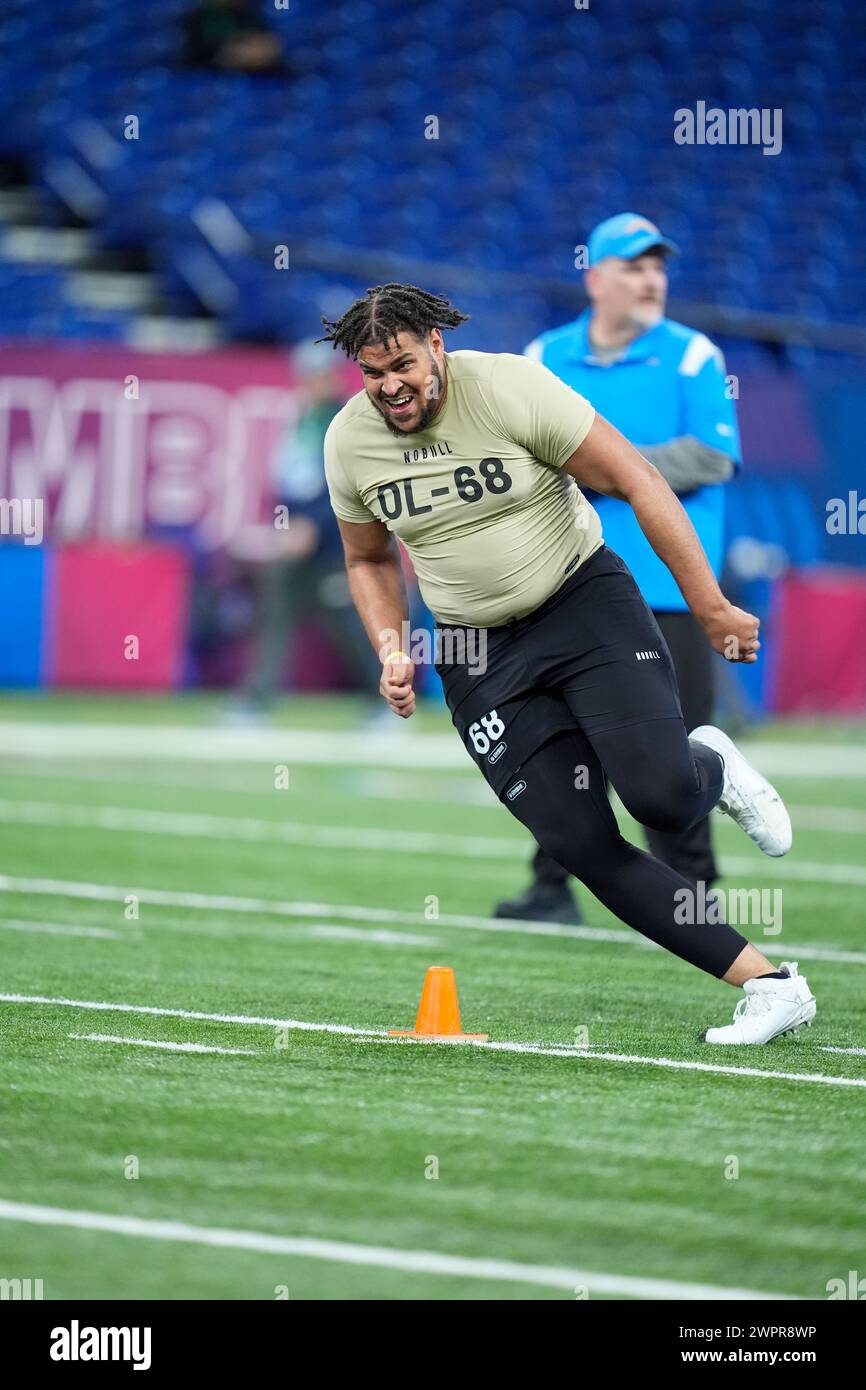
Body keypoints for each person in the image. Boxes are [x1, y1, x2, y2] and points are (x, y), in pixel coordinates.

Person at [320, 283, 816, 1045]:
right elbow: (366, 558)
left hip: (581, 605)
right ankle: (772, 987)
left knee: (659, 798)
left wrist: (709, 604)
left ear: (437, 348)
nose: (390, 386)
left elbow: (636, 479)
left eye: (403, 365)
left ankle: (707, 766)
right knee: (578, 842)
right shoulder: (350, 440)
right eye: (371, 372)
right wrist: (391, 646)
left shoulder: (511, 388)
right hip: (474, 650)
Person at [495, 213, 739, 925]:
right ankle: (550, 887)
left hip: (668, 587)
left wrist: (601, 464)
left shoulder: (695, 356)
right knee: (558, 746)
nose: (652, 280)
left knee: (674, 747)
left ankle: (690, 898)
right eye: (634, 267)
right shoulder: (544, 354)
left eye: (658, 267)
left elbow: (712, 457)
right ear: (594, 276)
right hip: (563, 585)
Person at [240, 339, 380, 710]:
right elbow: (288, 480)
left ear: (330, 379)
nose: (308, 384)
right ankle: (257, 701)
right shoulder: (302, 421)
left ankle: (383, 702)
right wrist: (286, 524)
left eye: (316, 377)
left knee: (347, 625)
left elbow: (349, 483)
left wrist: (313, 527)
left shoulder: (347, 422)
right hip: (297, 544)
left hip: (336, 544)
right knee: (275, 617)